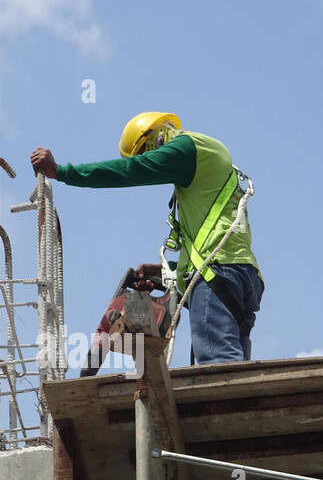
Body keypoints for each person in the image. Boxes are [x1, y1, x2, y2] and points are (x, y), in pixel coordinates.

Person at [30, 111, 264, 364]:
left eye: (147, 153)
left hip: (215, 275)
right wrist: (164, 273)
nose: (150, 160)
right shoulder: (206, 174)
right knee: (234, 362)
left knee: (219, 363)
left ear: (155, 137)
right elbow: (213, 242)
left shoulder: (188, 148)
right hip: (238, 274)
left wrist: (63, 172)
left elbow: (131, 170)